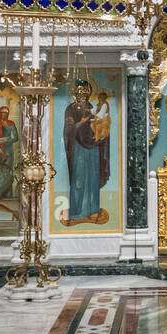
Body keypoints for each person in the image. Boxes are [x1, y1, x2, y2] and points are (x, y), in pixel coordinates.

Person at [63, 79, 110, 225]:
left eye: (84, 92)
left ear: (88, 93)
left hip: (94, 147)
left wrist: (103, 129)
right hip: (78, 148)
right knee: (79, 179)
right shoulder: (70, 109)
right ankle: (77, 212)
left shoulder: (92, 107)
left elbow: (100, 124)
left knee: (93, 177)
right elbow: (69, 129)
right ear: (75, 93)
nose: (81, 95)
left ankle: (93, 210)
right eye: (78, 92)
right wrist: (83, 122)